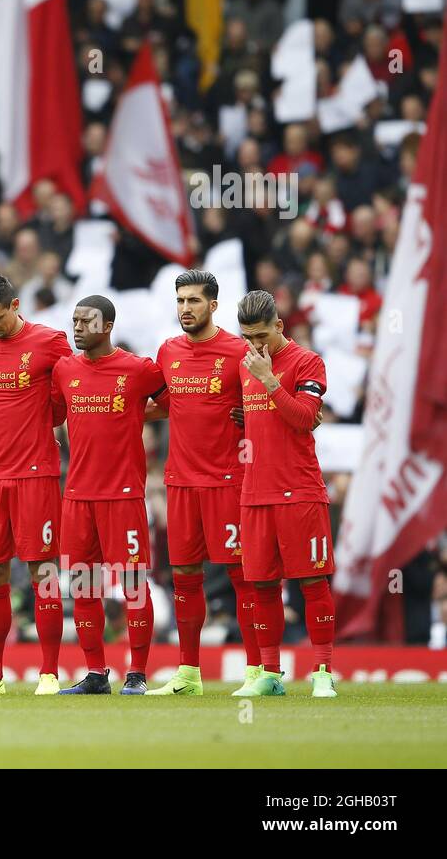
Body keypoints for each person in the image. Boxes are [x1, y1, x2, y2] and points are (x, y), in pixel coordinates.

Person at [145, 271, 259, 696]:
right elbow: (162, 406)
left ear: (213, 305)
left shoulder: (237, 351)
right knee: (184, 576)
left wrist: (251, 417)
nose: (185, 308)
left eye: (194, 300)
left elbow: (262, 402)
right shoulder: (168, 352)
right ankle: (188, 673)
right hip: (180, 482)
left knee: (243, 576)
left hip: (228, 482)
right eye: (180, 300)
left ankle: (257, 672)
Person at [0, 273, 71, 696]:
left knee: (42, 572)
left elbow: (67, 395)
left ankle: (48, 672)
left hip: (35, 474)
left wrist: (43, 425)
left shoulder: (51, 341)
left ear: (16, 305)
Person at [51, 296, 167, 695]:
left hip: (124, 496)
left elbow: (172, 401)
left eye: (86, 321)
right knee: (83, 586)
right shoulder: (65, 370)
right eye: (75, 320)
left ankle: (136, 673)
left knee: (134, 585)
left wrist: (139, 413)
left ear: (108, 325)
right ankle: (97, 674)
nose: (78, 327)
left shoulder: (137, 369)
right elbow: (50, 413)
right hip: (78, 496)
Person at [234, 290, 338, 698]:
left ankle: (323, 672)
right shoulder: (244, 366)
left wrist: (269, 380)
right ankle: (271, 674)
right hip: (255, 491)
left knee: (312, 582)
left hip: (300, 492)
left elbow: (304, 419)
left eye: (261, 335)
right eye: (247, 337)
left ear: (279, 326)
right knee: (261, 585)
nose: (254, 345)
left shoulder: (307, 362)